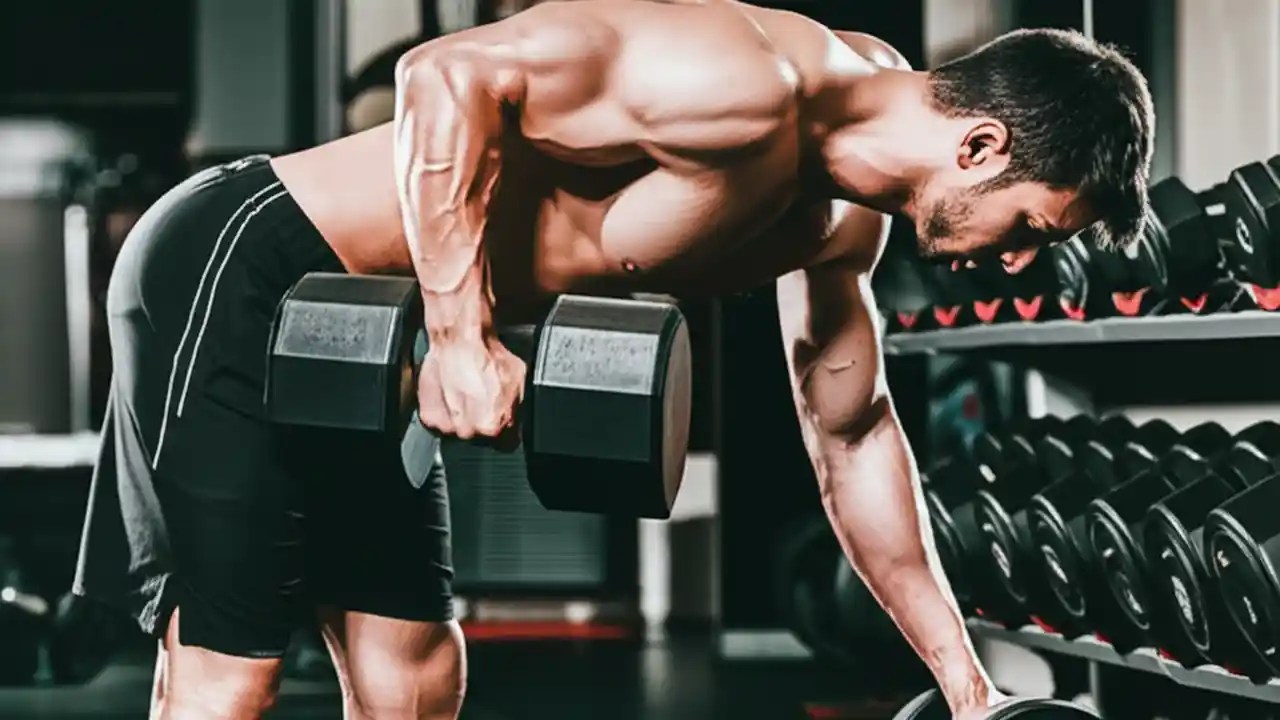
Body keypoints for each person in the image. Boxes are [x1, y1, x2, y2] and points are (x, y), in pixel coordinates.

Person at [74, 1, 1153, 718]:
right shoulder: (742, 79)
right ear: (981, 147)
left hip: (374, 324)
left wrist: (964, 690)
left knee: (411, 669)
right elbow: (443, 71)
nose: (1012, 255)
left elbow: (852, 432)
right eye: (1029, 226)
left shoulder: (841, 226)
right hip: (246, 258)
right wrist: (459, 337)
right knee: (232, 666)